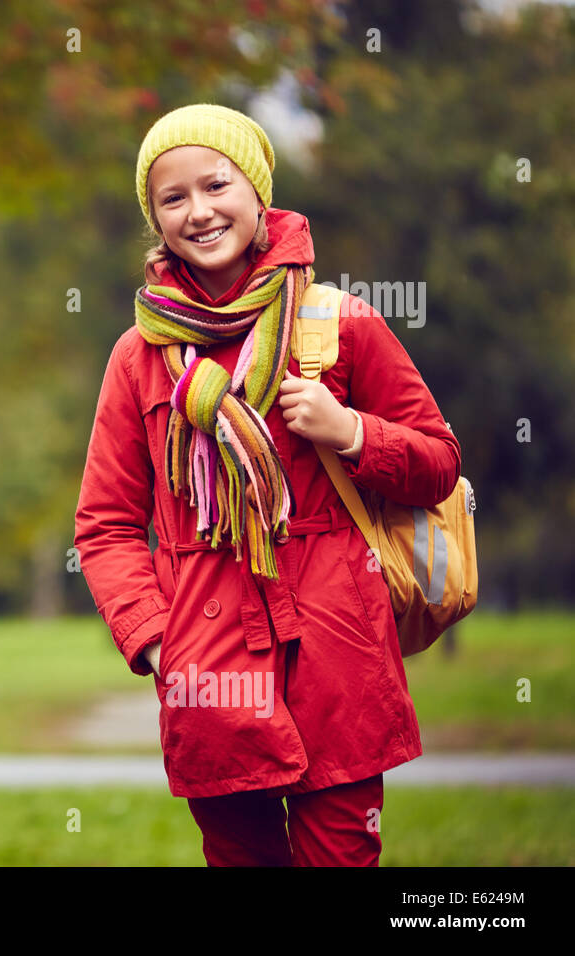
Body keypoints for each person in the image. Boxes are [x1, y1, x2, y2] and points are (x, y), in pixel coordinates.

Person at [73, 104, 461, 866]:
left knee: (341, 853)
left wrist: (349, 431)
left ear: (257, 194)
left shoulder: (341, 325)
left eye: (215, 185)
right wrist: (157, 643)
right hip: (206, 661)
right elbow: (107, 525)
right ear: (154, 218)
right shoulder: (137, 356)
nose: (199, 211)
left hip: (337, 647)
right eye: (172, 198)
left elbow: (438, 463)